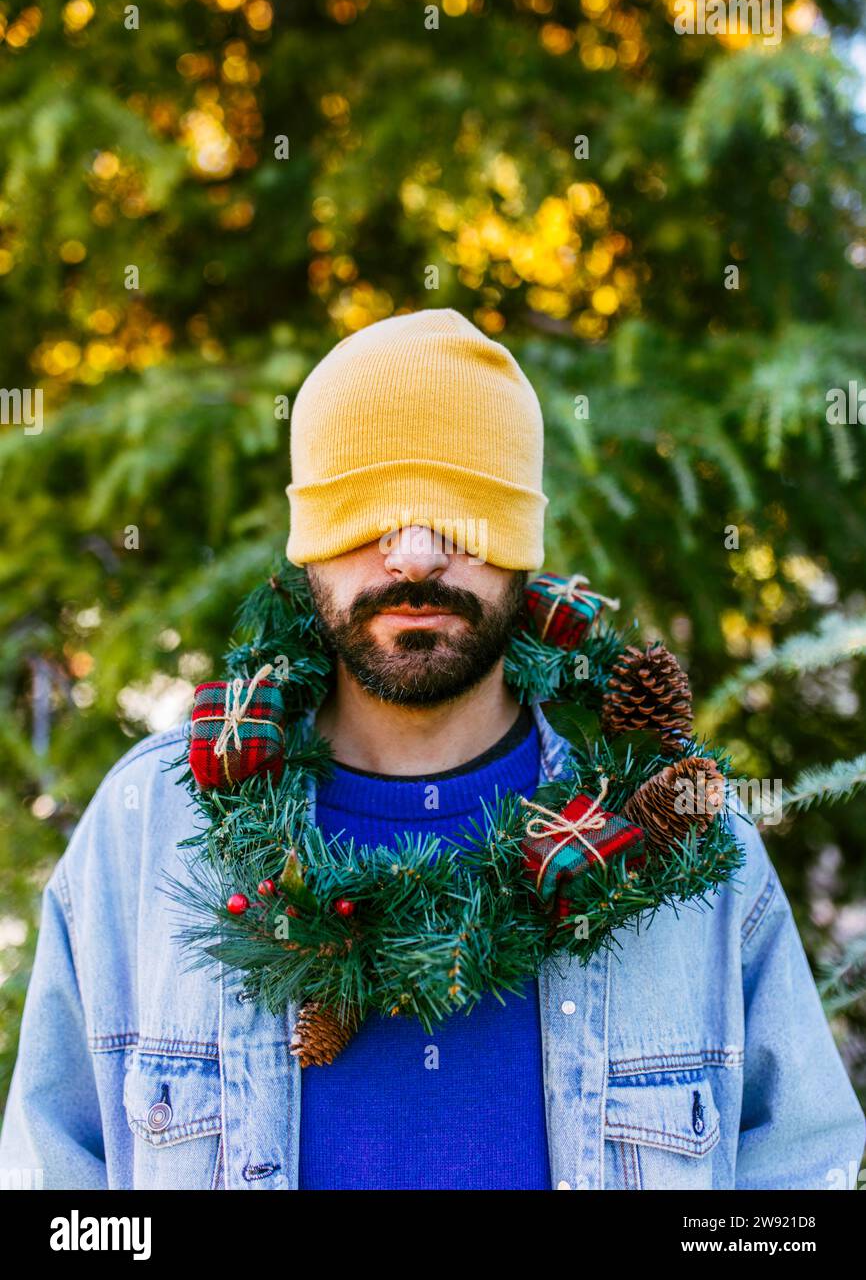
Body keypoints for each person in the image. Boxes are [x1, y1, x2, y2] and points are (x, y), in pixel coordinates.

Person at [2, 308, 863, 1190]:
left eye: (464, 511)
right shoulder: (147, 832)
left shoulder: (678, 838)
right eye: (367, 511)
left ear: (522, 536)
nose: (415, 555)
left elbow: (805, 1178)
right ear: (310, 537)